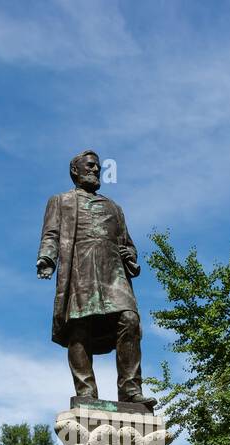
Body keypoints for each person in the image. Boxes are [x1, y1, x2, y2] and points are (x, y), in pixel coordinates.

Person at [37, 150, 155, 408]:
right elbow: (52, 234)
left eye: (98, 168)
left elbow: (128, 244)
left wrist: (130, 254)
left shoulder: (114, 208)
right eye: (90, 166)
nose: (95, 170)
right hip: (80, 269)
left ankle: (130, 390)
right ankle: (86, 392)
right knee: (79, 326)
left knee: (130, 319)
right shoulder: (61, 201)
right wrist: (47, 259)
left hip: (113, 273)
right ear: (75, 171)